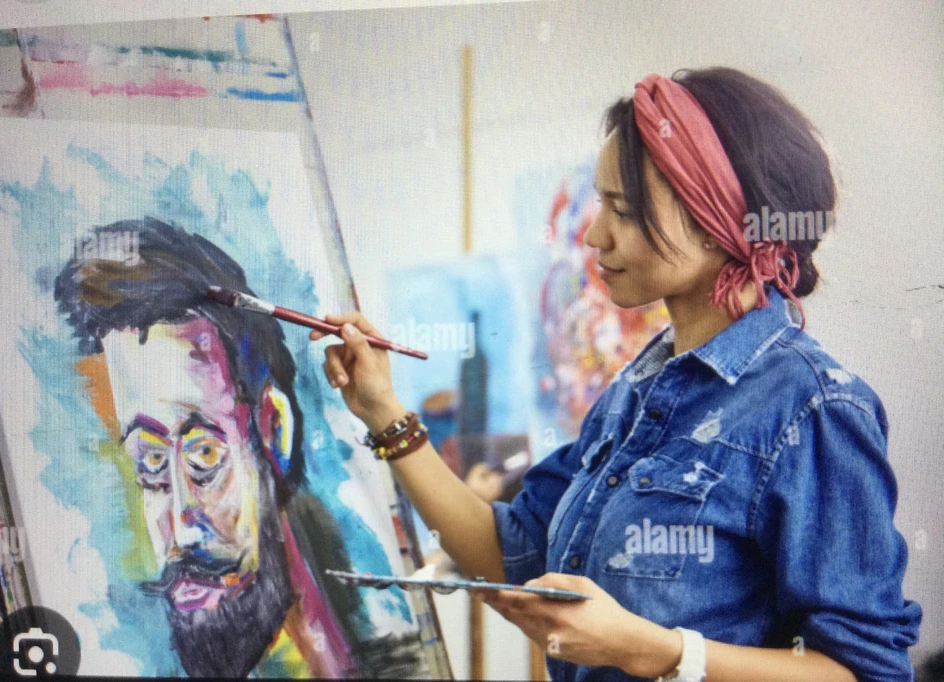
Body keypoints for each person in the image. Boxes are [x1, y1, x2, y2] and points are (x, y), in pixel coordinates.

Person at [311, 68, 922, 682]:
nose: (592, 233)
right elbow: (511, 553)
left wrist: (654, 650)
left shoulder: (812, 408)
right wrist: (383, 411)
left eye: (623, 210)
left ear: (720, 221)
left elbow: (864, 671)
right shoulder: (636, 392)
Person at [54, 217, 426, 679]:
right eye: (151, 462)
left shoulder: (394, 658)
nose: (182, 531)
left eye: (204, 456)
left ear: (273, 430)